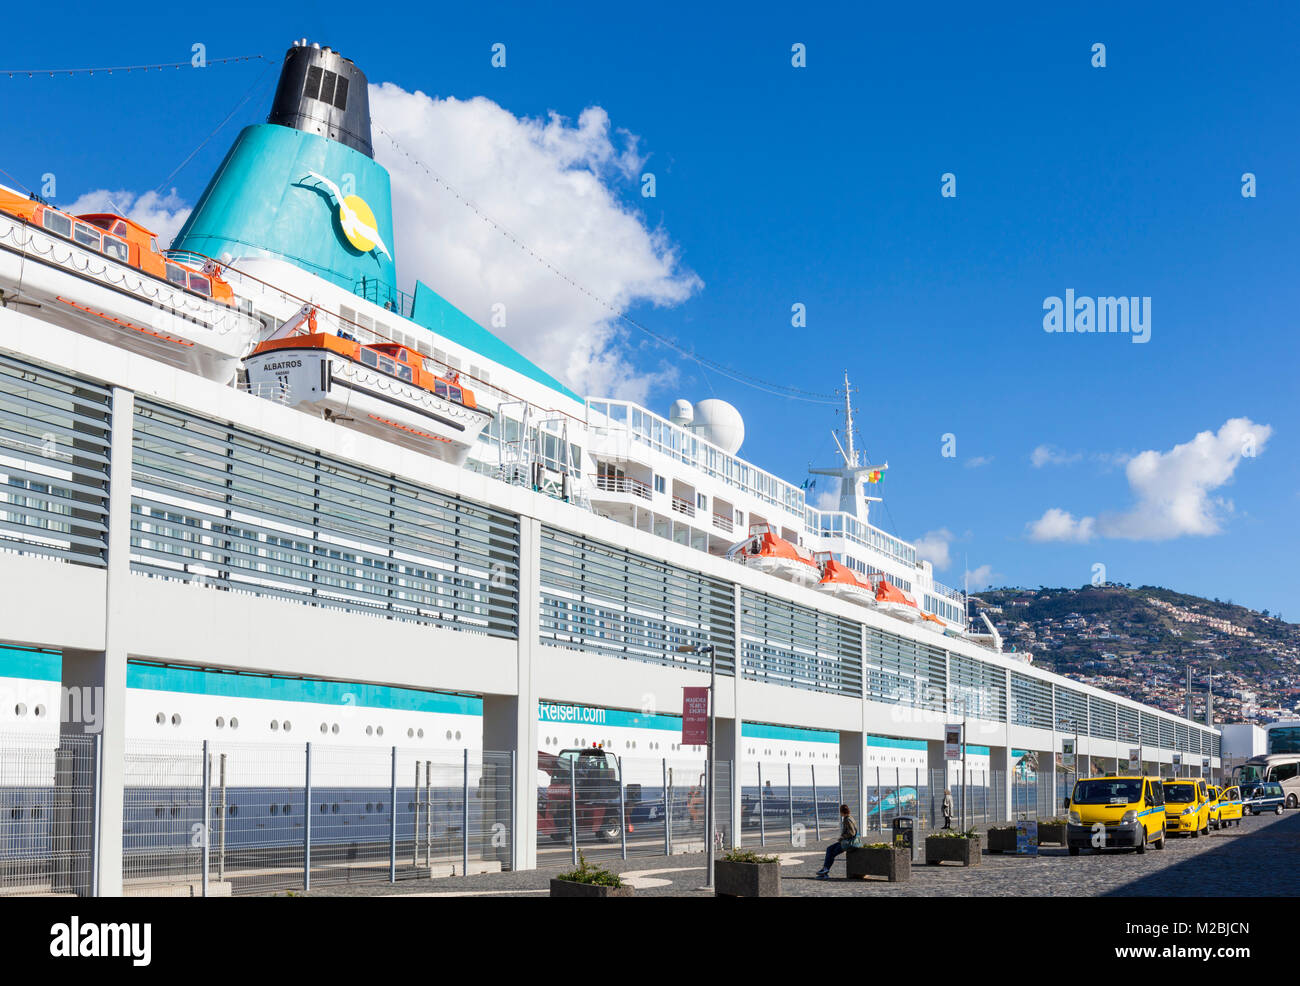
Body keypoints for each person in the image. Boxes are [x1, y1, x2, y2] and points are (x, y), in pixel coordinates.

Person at [816, 804, 859, 879]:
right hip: (846, 841)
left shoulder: (847, 819)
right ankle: (825, 869)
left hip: (847, 843)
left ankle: (825, 870)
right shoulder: (850, 818)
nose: (840, 813)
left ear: (842, 812)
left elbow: (852, 833)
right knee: (829, 849)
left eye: (840, 812)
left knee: (831, 853)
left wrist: (842, 837)